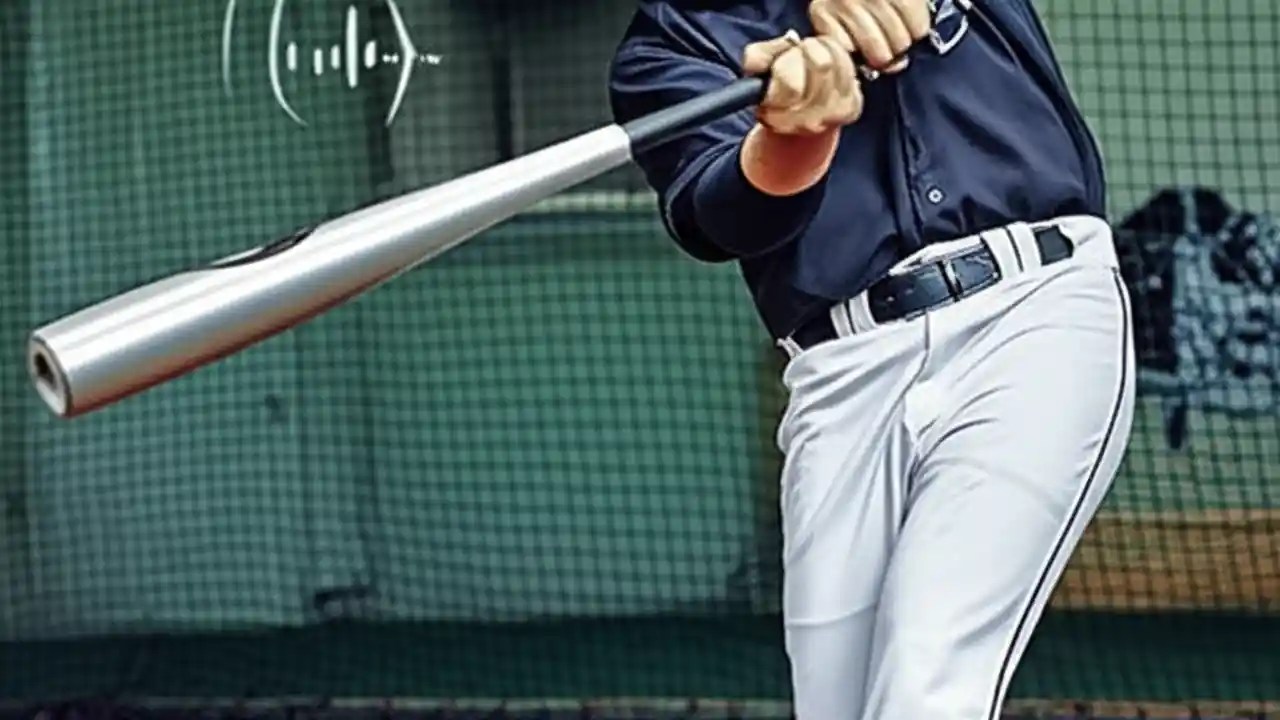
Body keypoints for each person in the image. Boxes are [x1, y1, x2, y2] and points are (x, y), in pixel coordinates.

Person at [608, 1, 1137, 718]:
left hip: (1031, 308)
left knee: (928, 674)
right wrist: (799, 135)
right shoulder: (665, 46)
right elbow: (725, 215)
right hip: (842, 374)